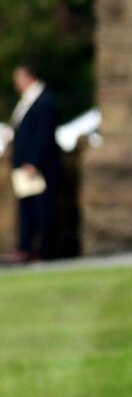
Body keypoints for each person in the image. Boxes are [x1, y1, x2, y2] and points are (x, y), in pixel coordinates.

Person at [8, 63, 60, 263]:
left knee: (44, 210)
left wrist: (34, 161)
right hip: (23, 167)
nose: (16, 83)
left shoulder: (44, 101)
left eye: (18, 78)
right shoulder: (27, 101)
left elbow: (44, 134)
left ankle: (44, 251)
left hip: (38, 167)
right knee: (26, 210)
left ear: (30, 77)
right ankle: (25, 248)